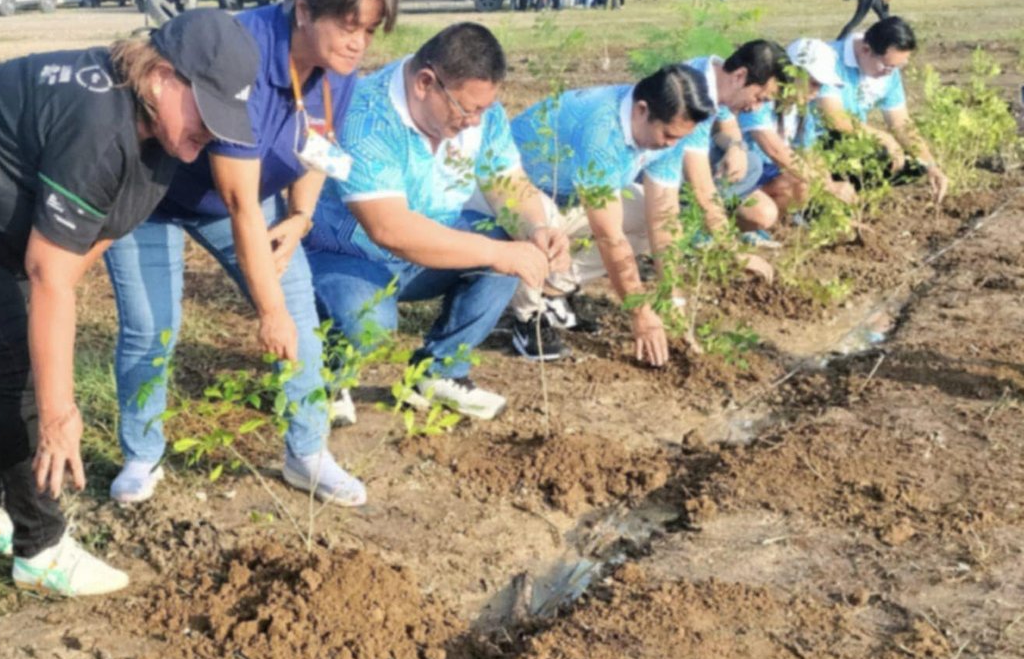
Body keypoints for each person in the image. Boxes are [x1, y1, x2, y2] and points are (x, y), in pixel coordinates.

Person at [0, 10, 261, 597]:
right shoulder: (99, 128)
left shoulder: (157, 141)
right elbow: (51, 276)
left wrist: (41, 340)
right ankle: (41, 549)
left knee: (18, 357)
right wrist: (58, 415)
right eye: (205, 108)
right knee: (24, 372)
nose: (211, 130)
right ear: (159, 76)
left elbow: (73, 261)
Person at [104, 0, 399, 509]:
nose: (359, 44)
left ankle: (306, 453)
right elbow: (238, 202)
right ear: (304, 10)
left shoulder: (339, 64)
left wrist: (301, 214)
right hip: (153, 196)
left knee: (301, 324)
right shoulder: (242, 54)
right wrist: (268, 314)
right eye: (350, 26)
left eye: (370, 30)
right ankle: (142, 455)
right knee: (150, 328)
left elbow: (320, 142)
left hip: (249, 198)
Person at [305, 24, 573, 420]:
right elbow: (388, 229)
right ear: (425, 83)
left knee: (506, 247)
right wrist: (500, 252)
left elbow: (507, 183)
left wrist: (536, 229)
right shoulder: (367, 114)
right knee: (371, 321)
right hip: (349, 253)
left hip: (432, 244)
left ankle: (439, 371)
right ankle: (326, 378)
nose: (475, 121)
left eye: (483, 109)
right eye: (467, 109)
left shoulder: (481, 113)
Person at [510, 66, 716, 368]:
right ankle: (527, 315)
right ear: (642, 110)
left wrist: (673, 297)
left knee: (651, 219)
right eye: (668, 135)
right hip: (521, 193)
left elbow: (662, 215)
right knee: (544, 230)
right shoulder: (602, 131)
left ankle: (553, 289)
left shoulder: (674, 128)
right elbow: (609, 236)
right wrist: (640, 313)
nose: (672, 145)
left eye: (679, 138)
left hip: (572, 195)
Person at [721, 38, 858, 242]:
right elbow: (776, 151)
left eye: (821, 86)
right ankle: (732, 226)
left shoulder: (802, 110)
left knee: (804, 183)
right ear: (793, 73)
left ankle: (755, 226)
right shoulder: (759, 100)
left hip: (766, 174)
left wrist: (832, 190)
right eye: (813, 83)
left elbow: (810, 154)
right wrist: (827, 188)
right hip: (740, 173)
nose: (816, 92)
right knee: (792, 188)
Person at [814, 16, 949, 204]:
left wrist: (931, 166)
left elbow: (901, 123)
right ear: (866, 49)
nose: (890, 73)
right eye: (888, 66)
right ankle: (823, 196)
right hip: (815, 141)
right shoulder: (828, 59)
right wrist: (883, 137)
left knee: (915, 165)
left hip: (851, 140)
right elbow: (834, 119)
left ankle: (852, 196)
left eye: (898, 67)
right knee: (882, 151)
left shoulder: (888, 72)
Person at [673, 42, 789, 251]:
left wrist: (735, 147)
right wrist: (733, 252)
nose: (755, 108)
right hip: (647, 174)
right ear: (739, 76)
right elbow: (700, 186)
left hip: (679, 166)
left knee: (750, 163)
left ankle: (700, 224)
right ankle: (685, 229)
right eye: (759, 98)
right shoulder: (694, 94)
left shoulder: (715, 77)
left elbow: (728, 126)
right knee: (703, 189)